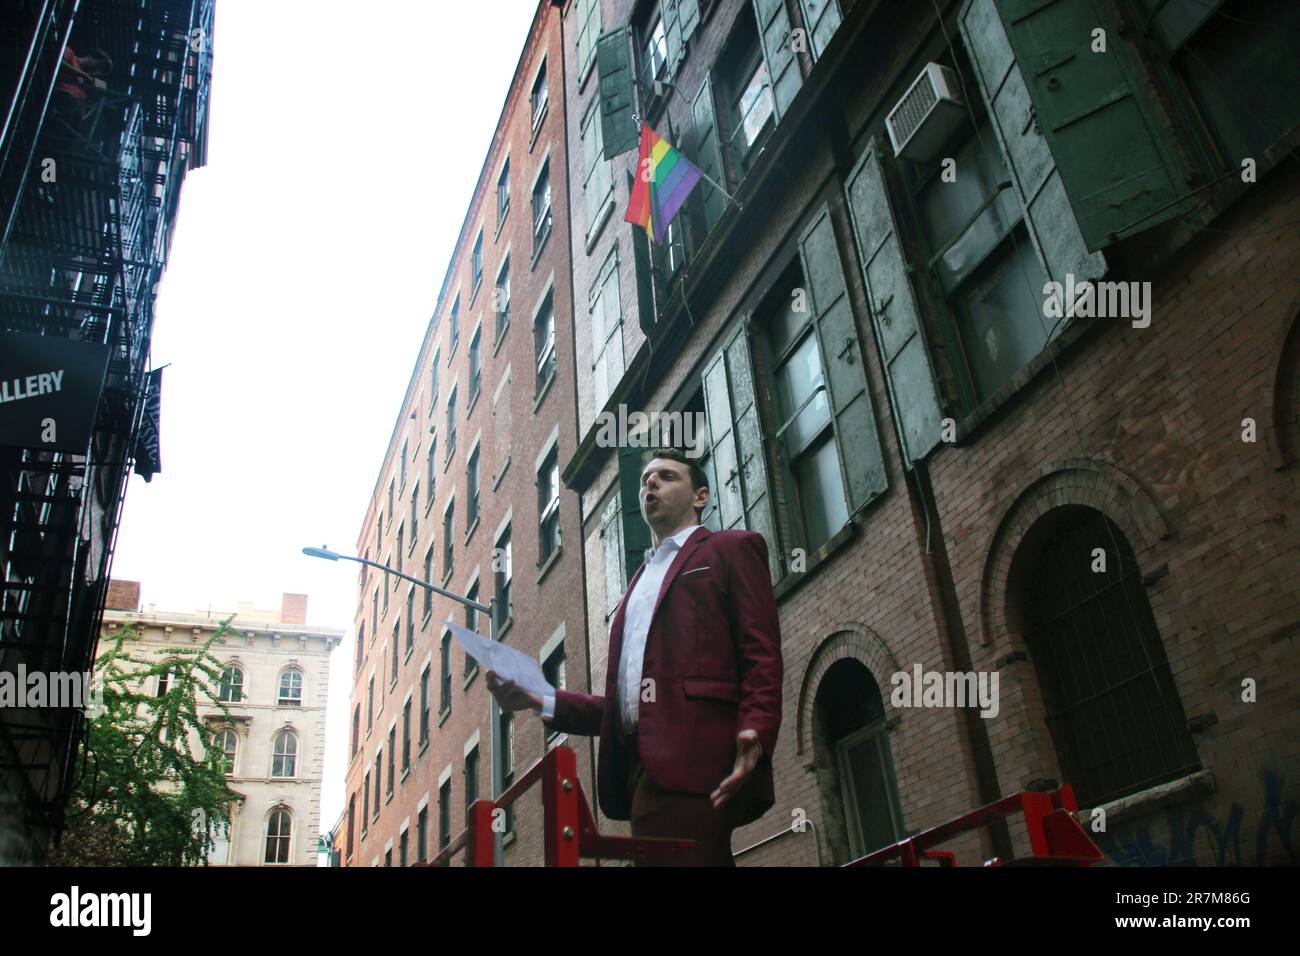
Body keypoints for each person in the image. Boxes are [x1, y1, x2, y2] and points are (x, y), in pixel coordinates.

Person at [487, 448, 782, 866]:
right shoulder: (635, 588)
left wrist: (757, 724)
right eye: (645, 479)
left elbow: (761, 650)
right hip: (640, 774)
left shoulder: (731, 549)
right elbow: (623, 706)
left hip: (701, 760)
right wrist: (538, 697)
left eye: (666, 476)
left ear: (700, 496)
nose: (651, 484)